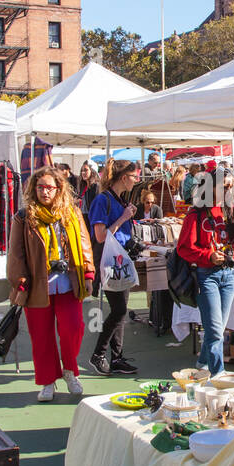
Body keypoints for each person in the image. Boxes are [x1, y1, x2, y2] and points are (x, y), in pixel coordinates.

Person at [8, 166, 95, 403]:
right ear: (33, 189)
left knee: (73, 328)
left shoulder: (71, 213)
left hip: (68, 282)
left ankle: (69, 371)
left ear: (59, 189)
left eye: (49, 187)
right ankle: (47, 380)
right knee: (41, 336)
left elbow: (84, 244)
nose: (45, 192)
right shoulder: (24, 217)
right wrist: (20, 280)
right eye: (40, 187)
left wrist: (88, 274)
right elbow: (15, 253)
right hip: (37, 285)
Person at [176, 168, 234, 374]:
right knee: (215, 330)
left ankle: (202, 363)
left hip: (229, 275)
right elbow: (184, 248)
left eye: (231, 185)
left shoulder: (233, 210)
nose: (228, 189)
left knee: (218, 328)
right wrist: (208, 256)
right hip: (207, 276)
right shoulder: (196, 214)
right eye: (224, 186)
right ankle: (218, 374)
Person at [87, 160, 142, 375]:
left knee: (121, 310)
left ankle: (116, 357)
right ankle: (98, 354)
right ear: (123, 177)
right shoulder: (103, 200)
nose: (136, 180)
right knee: (119, 310)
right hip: (109, 262)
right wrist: (123, 217)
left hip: (120, 261)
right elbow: (100, 236)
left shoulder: (118, 200)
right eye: (134, 176)